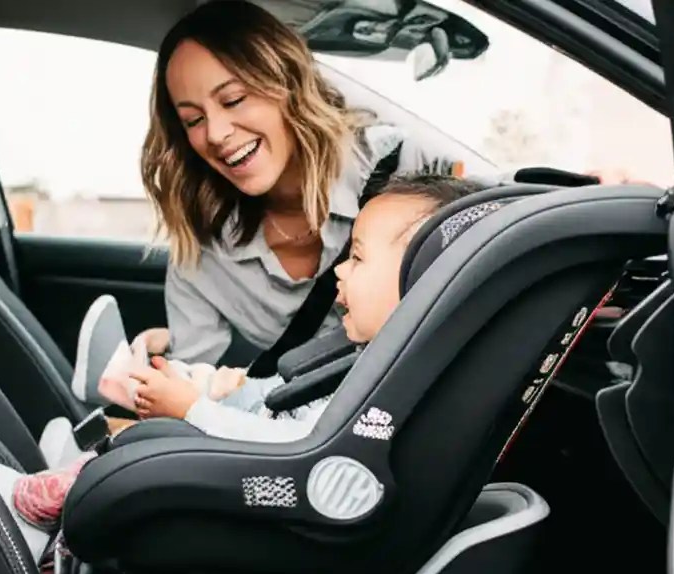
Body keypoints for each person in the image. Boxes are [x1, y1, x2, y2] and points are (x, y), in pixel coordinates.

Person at [11, 175, 482, 535]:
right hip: (262, 451)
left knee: (156, 443)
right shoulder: (374, 359)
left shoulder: (392, 386)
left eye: (357, 258)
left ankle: (54, 507)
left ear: (426, 284)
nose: (339, 269)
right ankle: (89, 442)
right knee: (206, 401)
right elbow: (292, 403)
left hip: (270, 497)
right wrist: (226, 392)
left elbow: (298, 449)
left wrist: (193, 410)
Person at [139, 0, 454, 370]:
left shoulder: (402, 163)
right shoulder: (203, 252)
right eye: (193, 120)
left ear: (286, 82)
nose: (216, 133)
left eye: (234, 100)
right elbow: (192, 376)